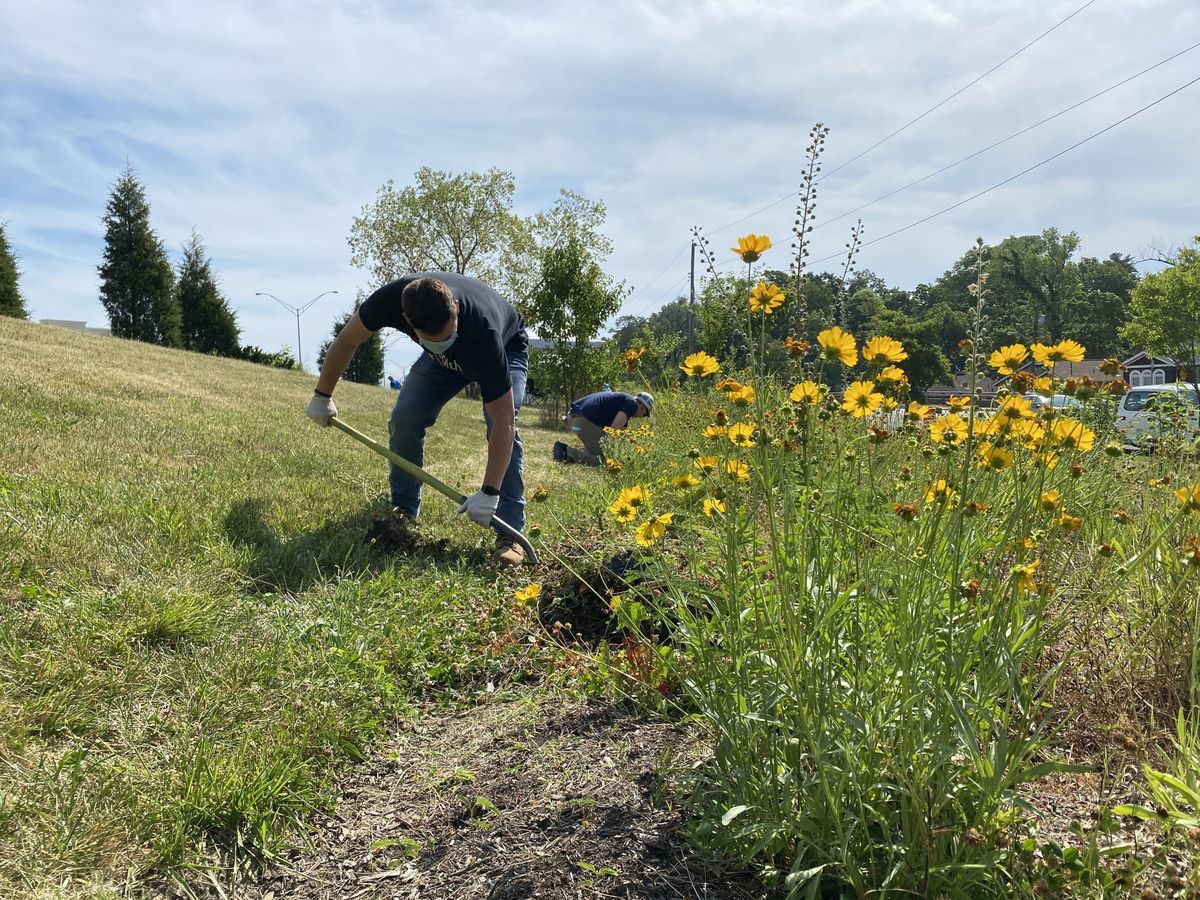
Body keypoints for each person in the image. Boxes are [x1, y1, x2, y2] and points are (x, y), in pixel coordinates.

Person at [306, 272, 529, 567]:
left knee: (500, 426)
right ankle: (403, 509)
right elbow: (348, 340)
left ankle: (509, 533)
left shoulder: (483, 332)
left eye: (449, 335)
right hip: (442, 365)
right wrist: (322, 394)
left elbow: (504, 421)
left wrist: (489, 492)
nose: (445, 342)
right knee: (405, 418)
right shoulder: (389, 302)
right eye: (435, 340)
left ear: (456, 309)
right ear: (409, 323)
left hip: (506, 347)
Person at [554, 390, 653, 465]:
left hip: (573, 417)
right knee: (605, 461)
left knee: (602, 445)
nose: (641, 417)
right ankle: (566, 452)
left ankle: (582, 451)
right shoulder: (632, 405)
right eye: (644, 414)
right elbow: (614, 429)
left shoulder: (624, 400)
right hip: (585, 420)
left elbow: (612, 429)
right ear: (642, 408)